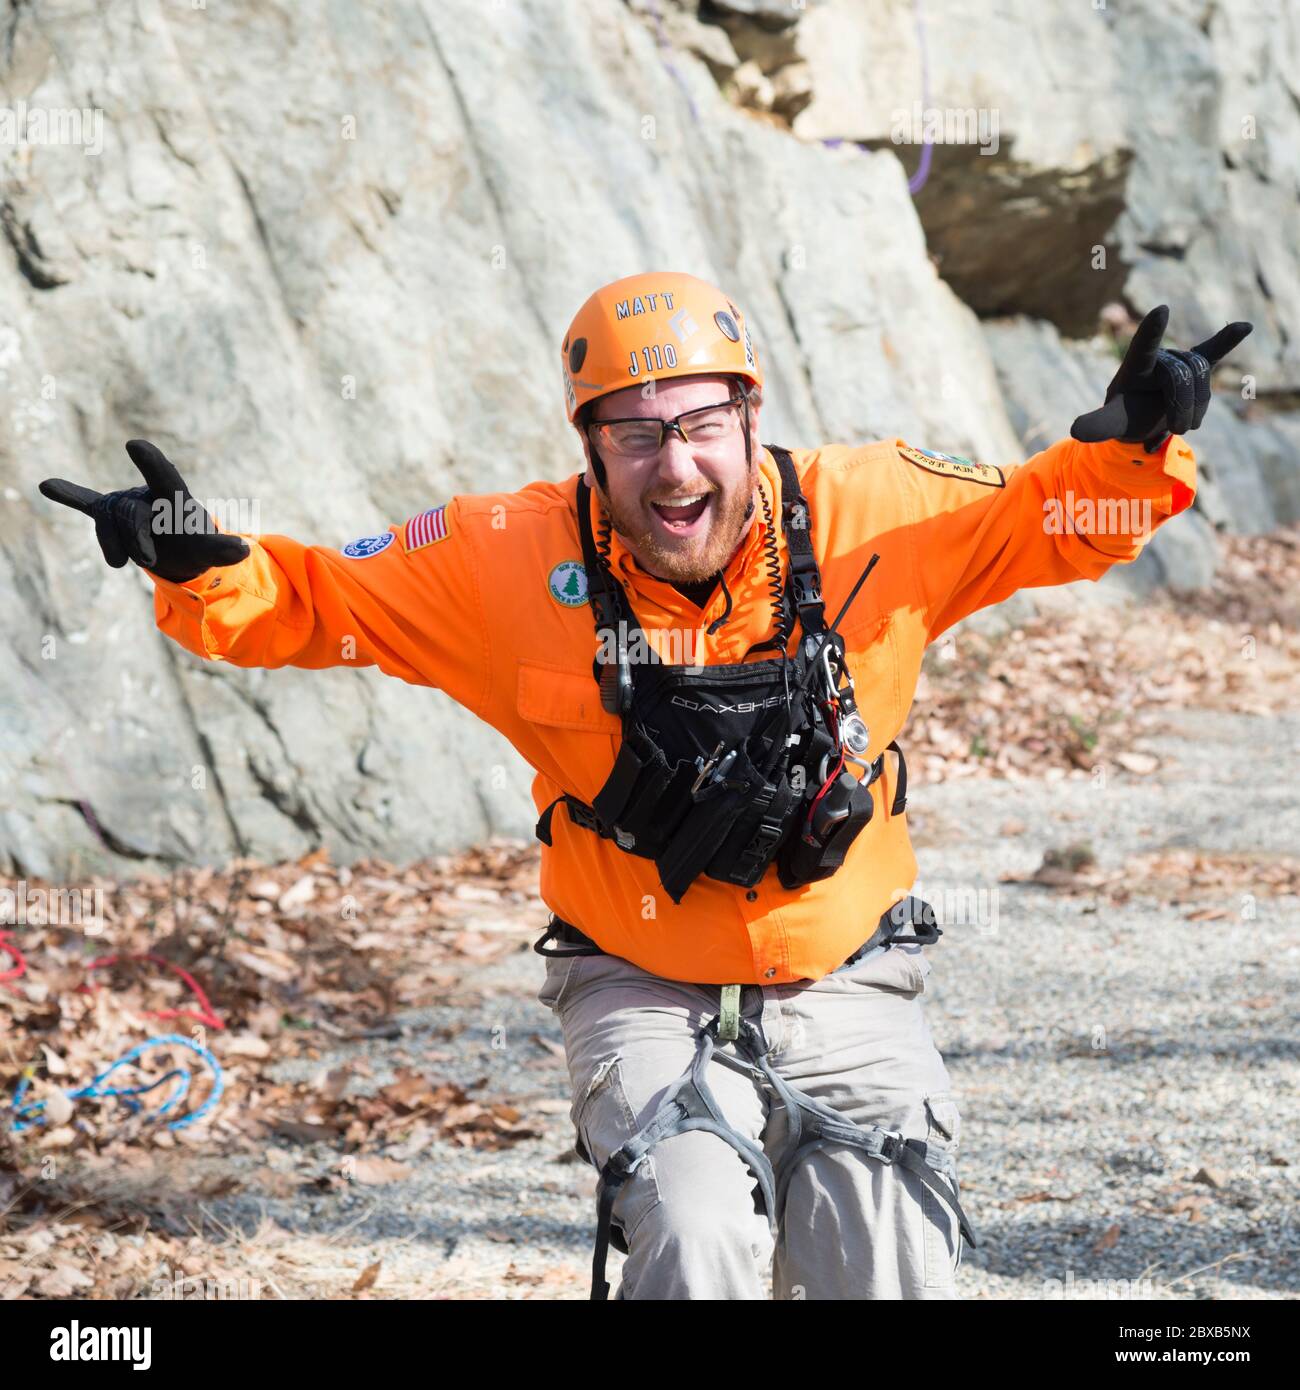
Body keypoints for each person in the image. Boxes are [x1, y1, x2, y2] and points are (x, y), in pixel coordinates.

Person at [39, 271, 1250, 1300]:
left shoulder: (875, 507)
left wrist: (1135, 439)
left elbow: (1055, 515)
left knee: (880, 1250)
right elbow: (315, 599)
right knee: (694, 1228)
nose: (673, 464)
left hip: (847, 970)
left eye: (699, 424)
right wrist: (200, 556)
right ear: (589, 446)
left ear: (748, 414)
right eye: (635, 431)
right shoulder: (501, 559)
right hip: (638, 977)